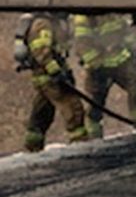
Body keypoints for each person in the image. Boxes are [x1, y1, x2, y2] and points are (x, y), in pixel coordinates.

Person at [16, 13, 87, 152]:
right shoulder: (43, 24)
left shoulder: (51, 23)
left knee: (42, 113)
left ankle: (32, 146)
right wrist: (55, 71)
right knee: (73, 107)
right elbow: (41, 51)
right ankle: (80, 145)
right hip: (50, 77)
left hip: (45, 77)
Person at [72, 13, 136, 138]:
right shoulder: (85, 16)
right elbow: (82, 44)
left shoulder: (114, 11)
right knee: (95, 104)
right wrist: (95, 63)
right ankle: (94, 139)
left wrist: (132, 52)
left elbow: (126, 33)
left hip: (120, 61)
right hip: (98, 66)